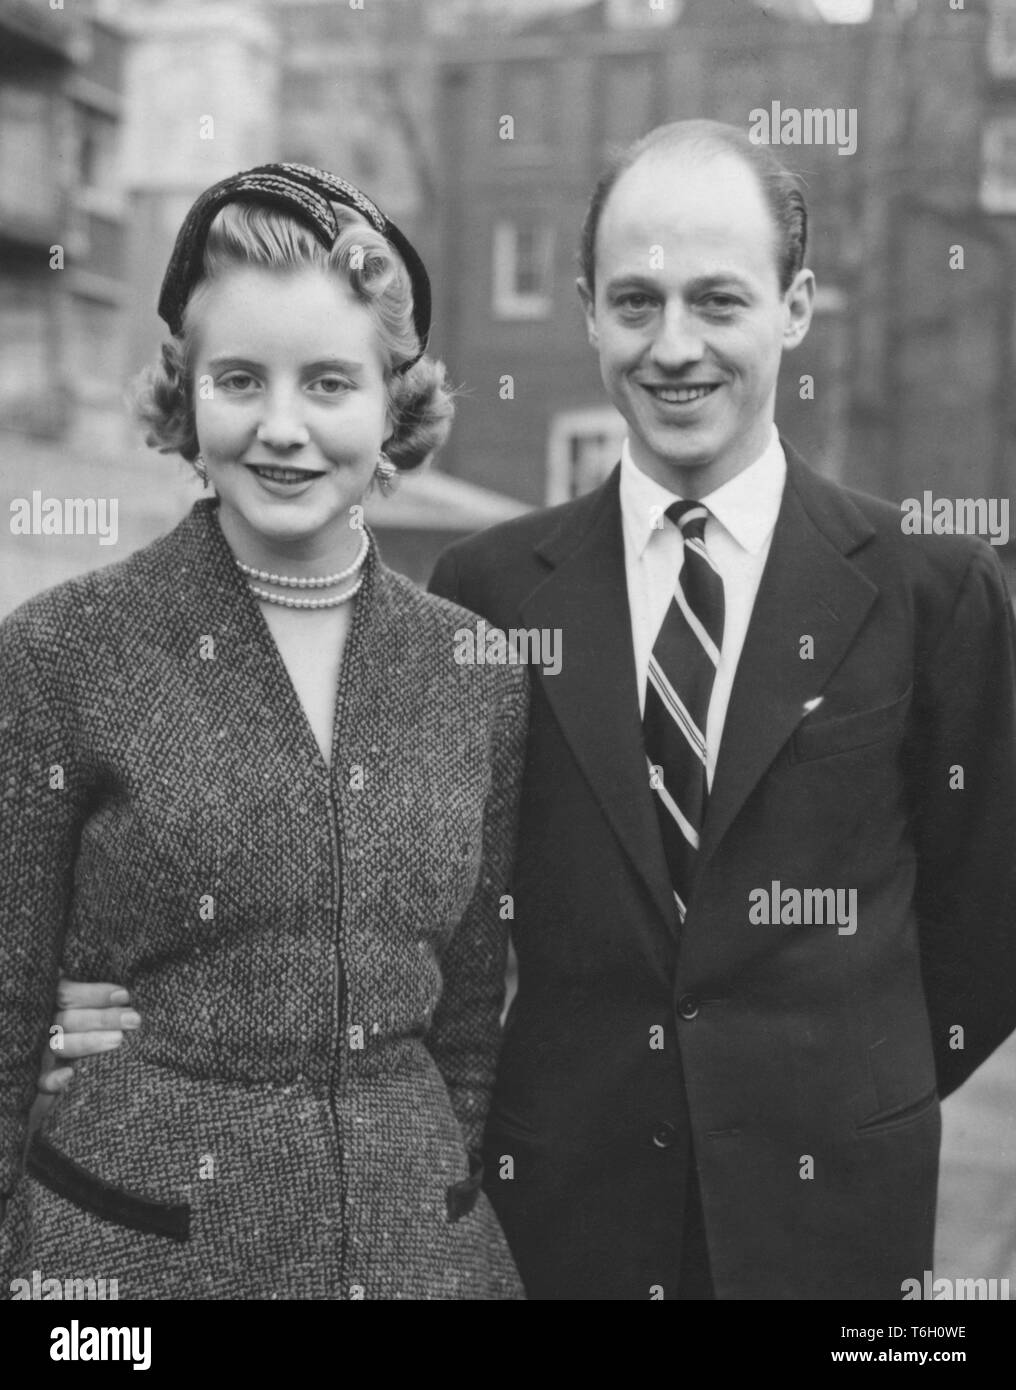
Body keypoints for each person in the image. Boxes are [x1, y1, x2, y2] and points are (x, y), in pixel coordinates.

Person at [43, 120, 1016, 1301]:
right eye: (634, 300)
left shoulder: (933, 589)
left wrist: (863, 1085)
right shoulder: (490, 594)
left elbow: (985, 922)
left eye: (717, 300)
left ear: (794, 307)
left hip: (831, 1228)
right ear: (586, 312)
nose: (674, 346)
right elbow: (427, 932)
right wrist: (76, 1002)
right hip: (561, 1215)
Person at [0, 163, 527, 1301]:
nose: (280, 426)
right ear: (186, 396)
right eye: (239, 378)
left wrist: (430, 1188)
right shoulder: (61, 650)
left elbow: (470, 1016)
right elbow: (6, 999)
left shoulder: (474, 671)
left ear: (394, 403)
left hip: (419, 1263)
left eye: (329, 382)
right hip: (125, 1267)